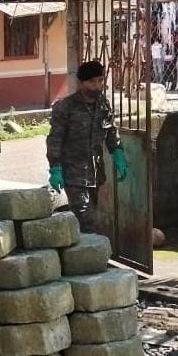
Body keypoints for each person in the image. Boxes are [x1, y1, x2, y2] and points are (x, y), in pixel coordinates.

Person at [47, 61, 129, 233]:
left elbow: (111, 131)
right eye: (92, 82)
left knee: (88, 218)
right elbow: (55, 139)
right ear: (82, 82)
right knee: (86, 220)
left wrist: (118, 153)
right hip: (73, 173)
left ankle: (81, 253)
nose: (97, 85)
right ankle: (89, 256)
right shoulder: (65, 107)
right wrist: (55, 167)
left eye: (100, 80)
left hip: (96, 174)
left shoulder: (103, 105)